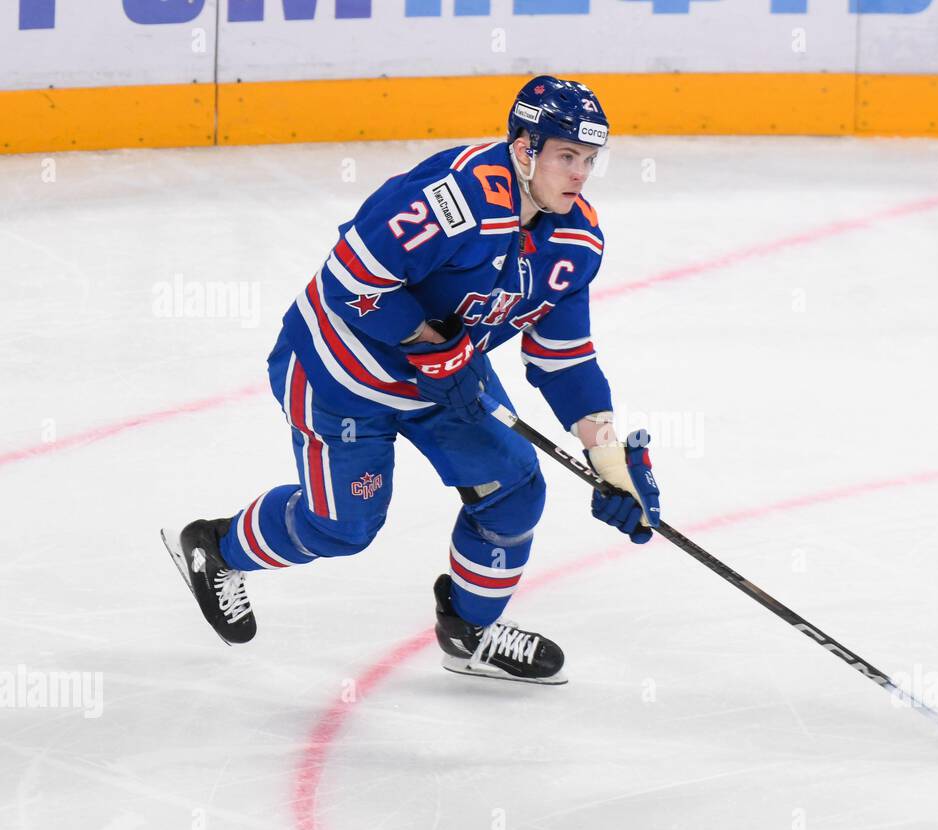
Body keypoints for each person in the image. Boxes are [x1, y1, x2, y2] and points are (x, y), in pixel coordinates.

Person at [161, 76, 661, 685]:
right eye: (566, 156)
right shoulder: (454, 199)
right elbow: (350, 281)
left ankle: (469, 632)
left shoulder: (575, 240)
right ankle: (217, 547)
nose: (579, 174)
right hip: (338, 375)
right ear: (525, 147)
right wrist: (429, 344)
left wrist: (611, 463)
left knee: (514, 491)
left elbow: (565, 358)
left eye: (587, 160)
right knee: (341, 529)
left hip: (442, 386)